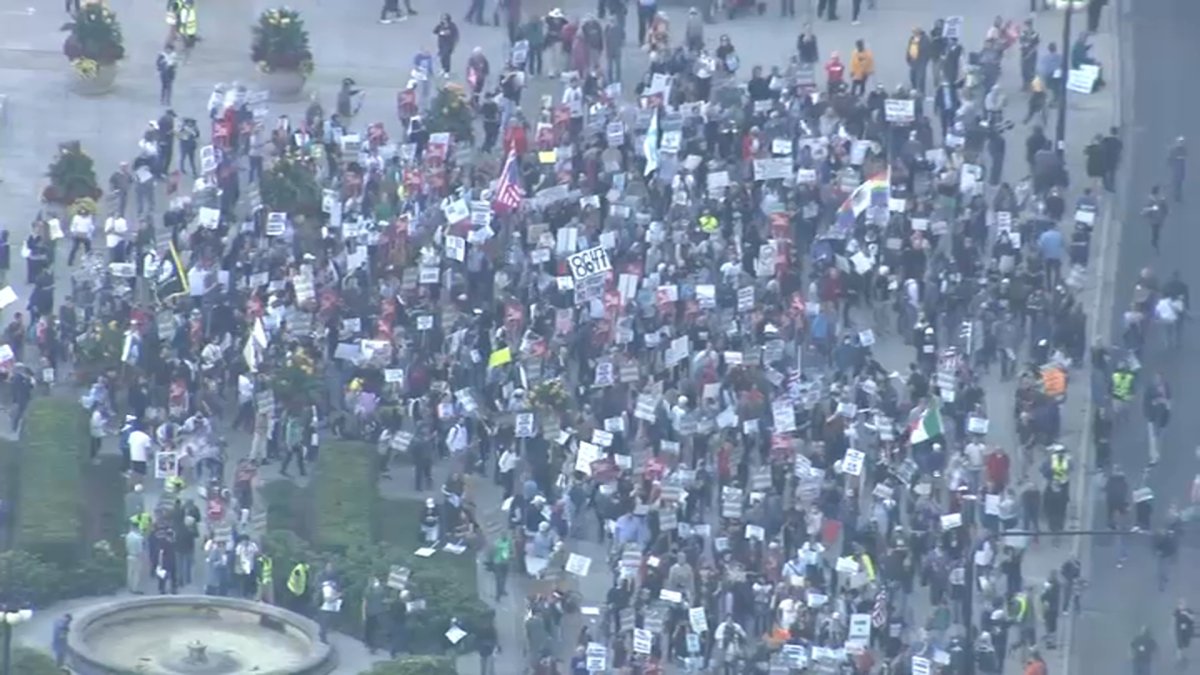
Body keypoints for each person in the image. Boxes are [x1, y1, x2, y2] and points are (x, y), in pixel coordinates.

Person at [1168, 136, 1186, 203]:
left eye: (1182, 142)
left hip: (1181, 168)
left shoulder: (1183, 149)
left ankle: (1178, 196)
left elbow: (1185, 155)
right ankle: (1176, 196)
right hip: (1176, 168)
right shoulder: (1174, 149)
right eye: (1180, 142)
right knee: (1176, 182)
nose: (1181, 143)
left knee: (1179, 183)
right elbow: (1170, 158)